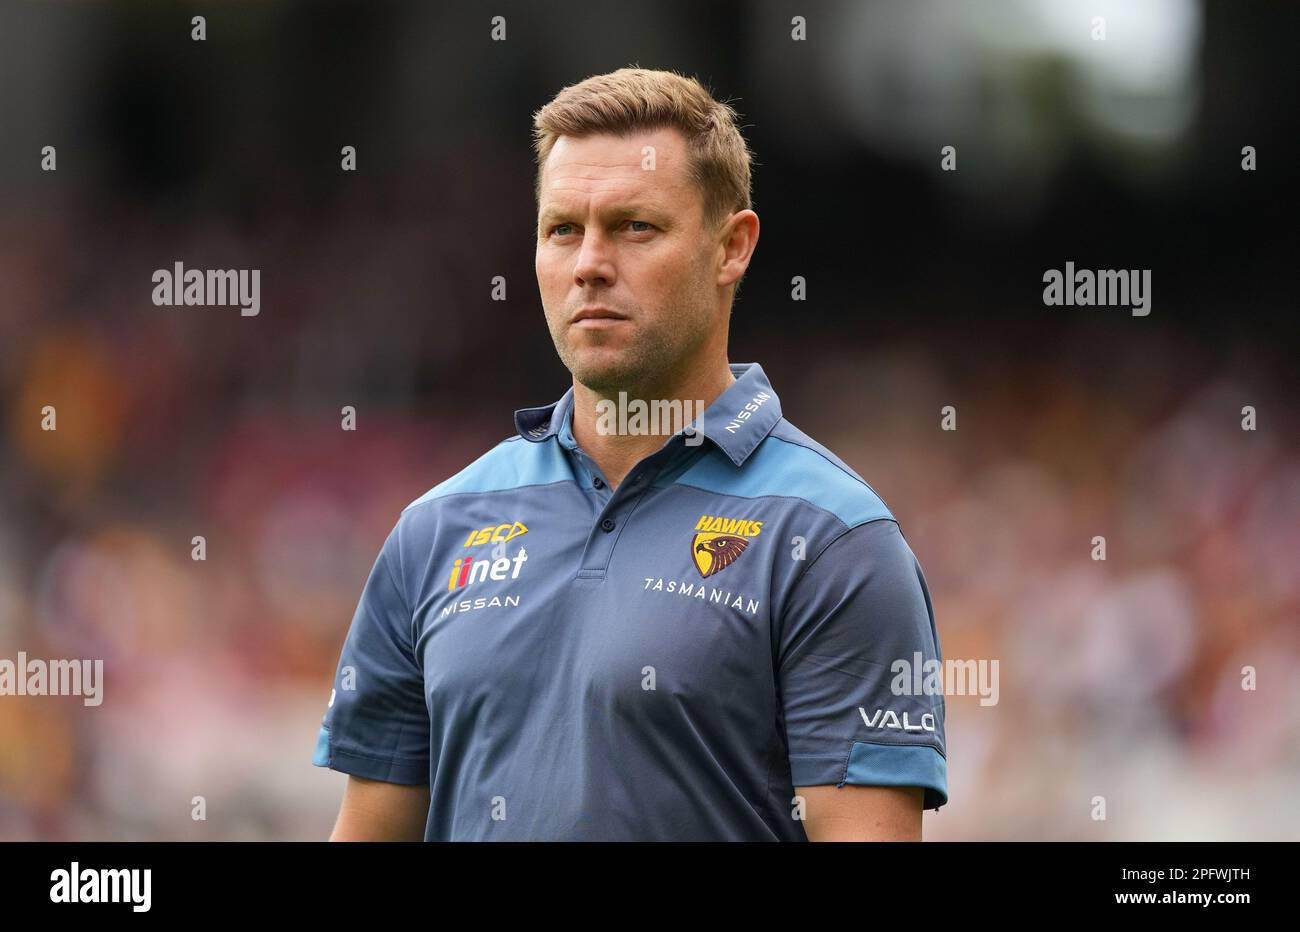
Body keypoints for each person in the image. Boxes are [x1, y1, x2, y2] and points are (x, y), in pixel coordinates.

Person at [314, 67, 947, 841]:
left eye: (634, 227)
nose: (589, 263)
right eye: (562, 230)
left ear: (731, 247)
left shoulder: (833, 542)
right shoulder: (435, 530)